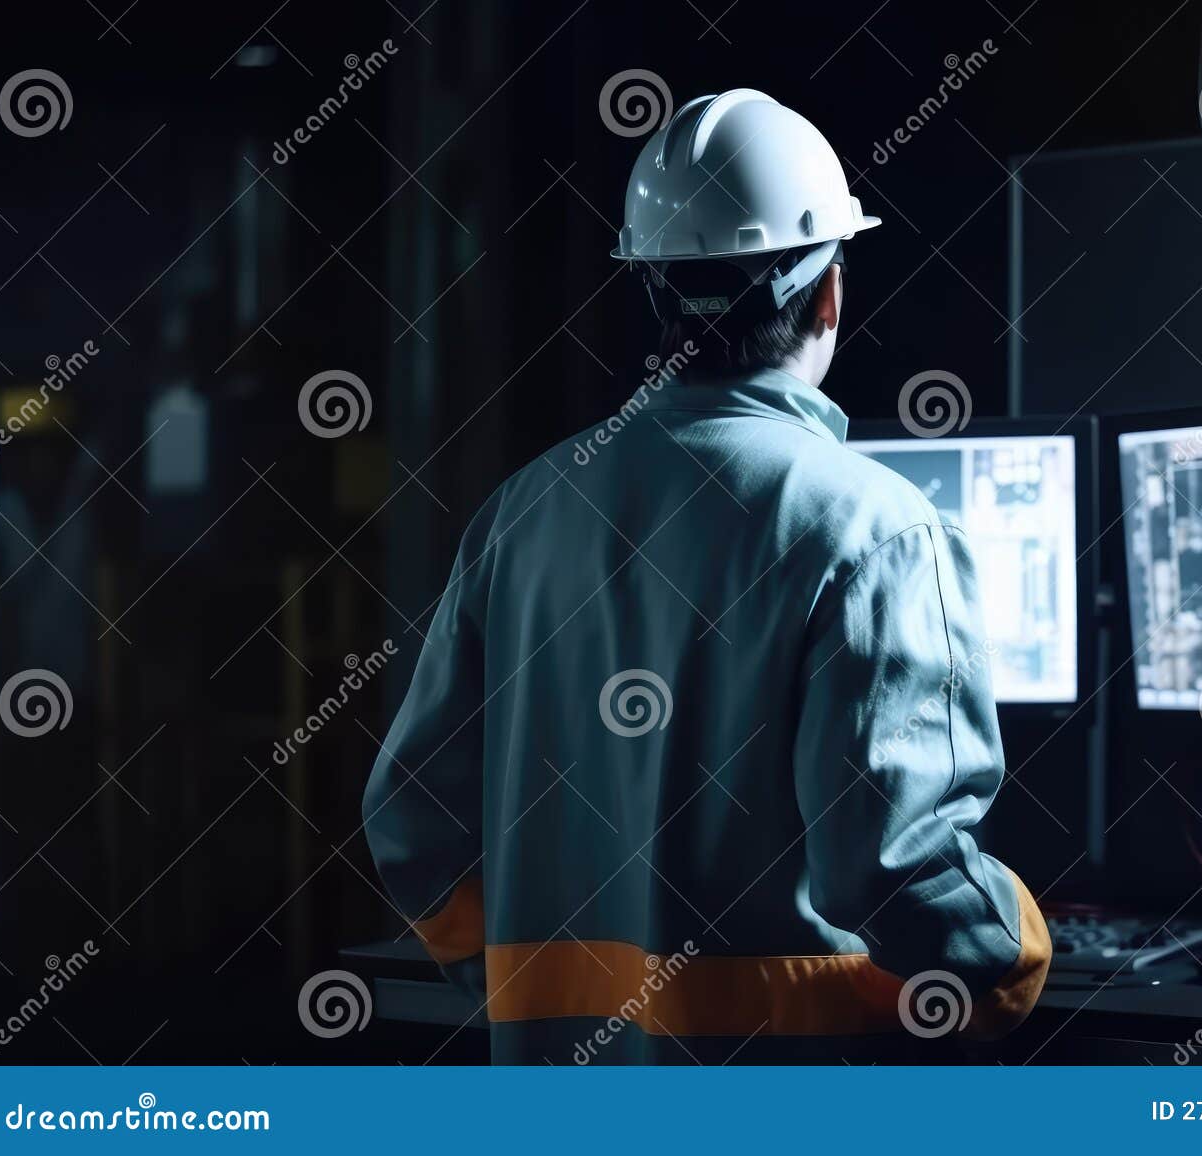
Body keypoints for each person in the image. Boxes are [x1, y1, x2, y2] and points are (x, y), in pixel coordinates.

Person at [364, 88, 1050, 1064]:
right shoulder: (878, 526)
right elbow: (898, 873)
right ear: (827, 293)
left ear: (650, 294)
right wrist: (1016, 952)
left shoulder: (520, 511)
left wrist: (526, 987)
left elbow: (410, 817)